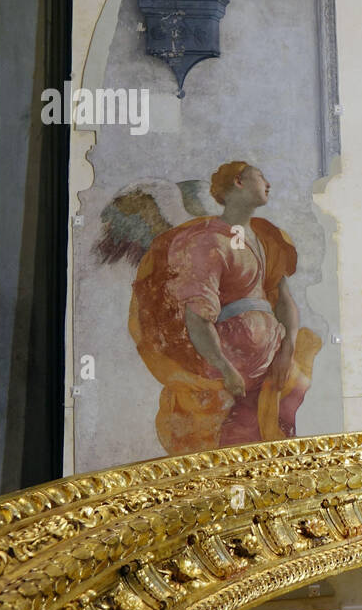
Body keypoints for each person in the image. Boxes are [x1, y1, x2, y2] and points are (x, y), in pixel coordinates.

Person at [129, 161, 321, 453]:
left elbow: (284, 301)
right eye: (261, 176)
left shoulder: (267, 238)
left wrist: (287, 349)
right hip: (229, 373)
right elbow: (197, 315)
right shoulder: (208, 241)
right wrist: (224, 367)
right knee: (232, 444)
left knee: (271, 443)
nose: (268, 184)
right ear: (239, 183)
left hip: (273, 364)